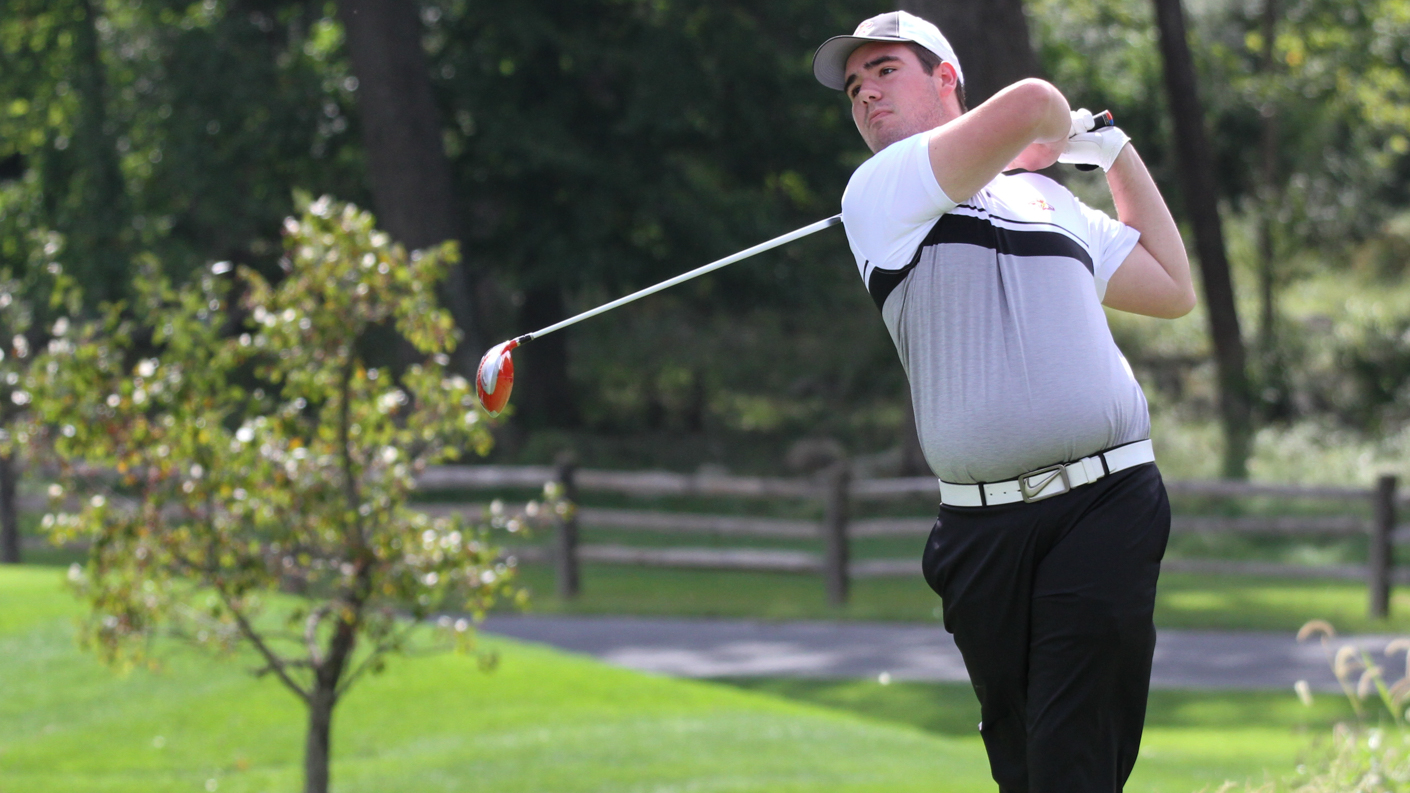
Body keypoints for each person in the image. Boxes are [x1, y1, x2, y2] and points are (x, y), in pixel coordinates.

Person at [812, 11, 1195, 793]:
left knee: (1069, 762)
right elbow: (1035, 103)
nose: (865, 95)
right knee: (1025, 767)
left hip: (1107, 502)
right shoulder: (878, 189)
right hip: (980, 534)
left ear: (946, 77)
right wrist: (1049, 134)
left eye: (884, 71)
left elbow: (1171, 285)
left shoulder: (1048, 202)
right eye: (853, 87)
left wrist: (1112, 151)